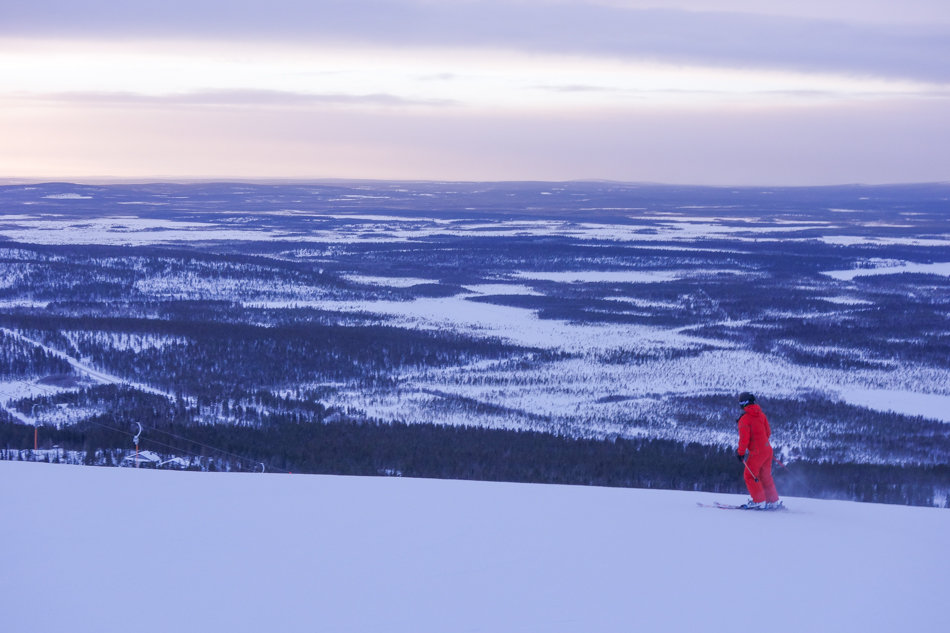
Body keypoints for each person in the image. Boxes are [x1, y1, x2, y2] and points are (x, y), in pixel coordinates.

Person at [735, 392, 781, 510]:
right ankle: (773, 501)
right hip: (767, 449)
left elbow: (744, 439)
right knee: (765, 476)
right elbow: (768, 433)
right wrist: (762, 445)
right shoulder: (761, 415)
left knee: (749, 475)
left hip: (757, 452)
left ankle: (759, 501)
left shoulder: (744, 419)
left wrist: (740, 453)